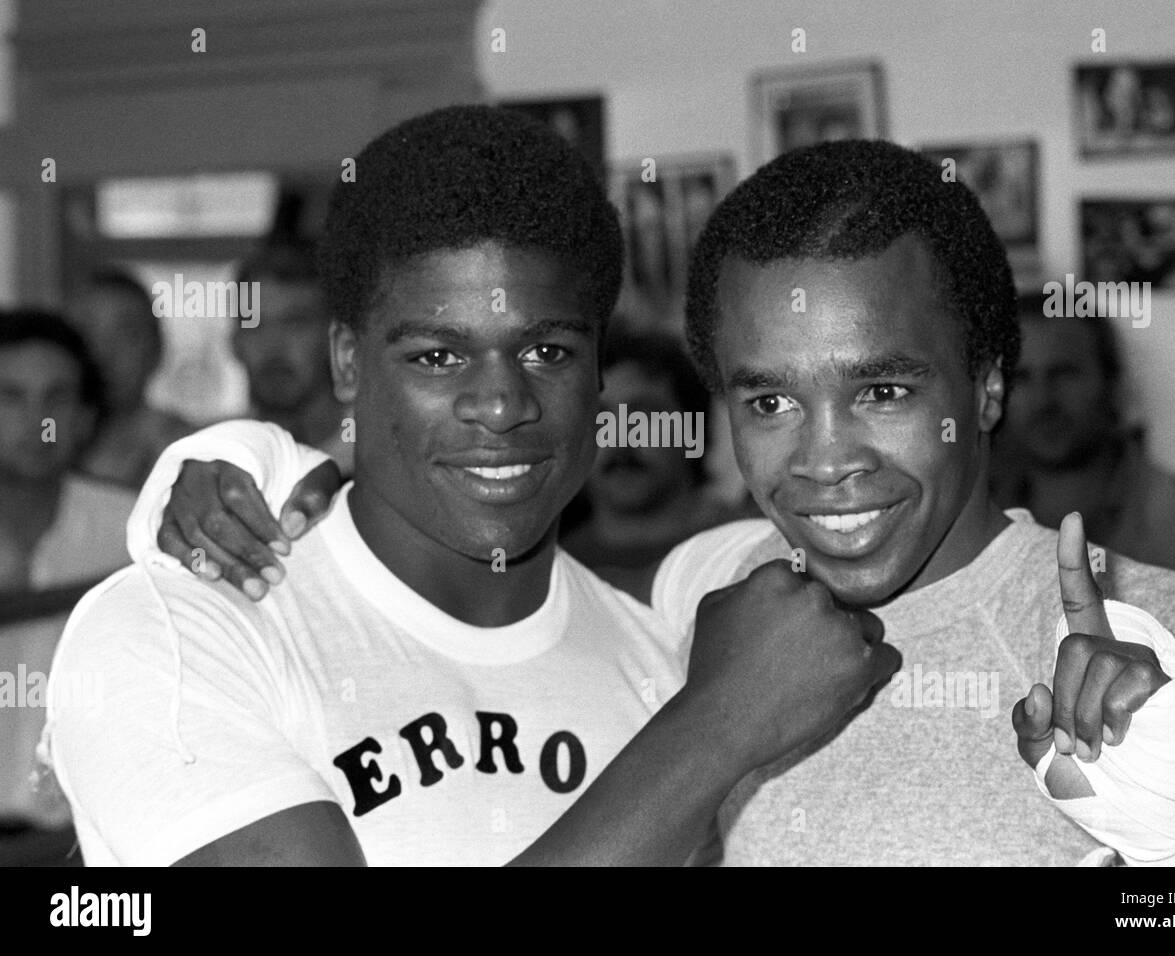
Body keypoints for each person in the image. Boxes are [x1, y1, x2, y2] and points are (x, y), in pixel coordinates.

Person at [130, 138, 1175, 865]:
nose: (825, 461)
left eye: (883, 389)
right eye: (770, 400)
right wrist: (266, 470)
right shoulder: (708, 599)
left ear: (985, 383)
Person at [41, 106, 900, 867]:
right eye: (438, 356)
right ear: (349, 362)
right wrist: (716, 732)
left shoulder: (664, 659)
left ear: (599, 369)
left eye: (547, 351)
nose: (501, 402)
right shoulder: (180, 630)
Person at [991, 294, 1175, 623]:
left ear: (1112, 384)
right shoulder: (972, 523)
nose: (1044, 400)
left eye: (1064, 374)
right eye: (1021, 378)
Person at [560, 328, 742, 600]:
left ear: (694, 430)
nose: (619, 435)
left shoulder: (751, 549)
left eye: (643, 415)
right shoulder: (551, 574)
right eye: (599, 416)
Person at [0, 310, 135, 593]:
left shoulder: (133, 531)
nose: (38, 421)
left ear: (85, 418)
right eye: (11, 397)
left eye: (57, 398)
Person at [231, 239, 355, 472]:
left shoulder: (379, 457)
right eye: (254, 325)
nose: (272, 346)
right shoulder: (214, 456)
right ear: (235, 342)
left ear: (338, 339)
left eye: (295, 324)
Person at [65, 272, 192, 488]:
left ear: (157, 348)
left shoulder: (186, 452)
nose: (102, 352)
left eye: (126, 334)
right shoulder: (47, 440)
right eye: (86, 334)